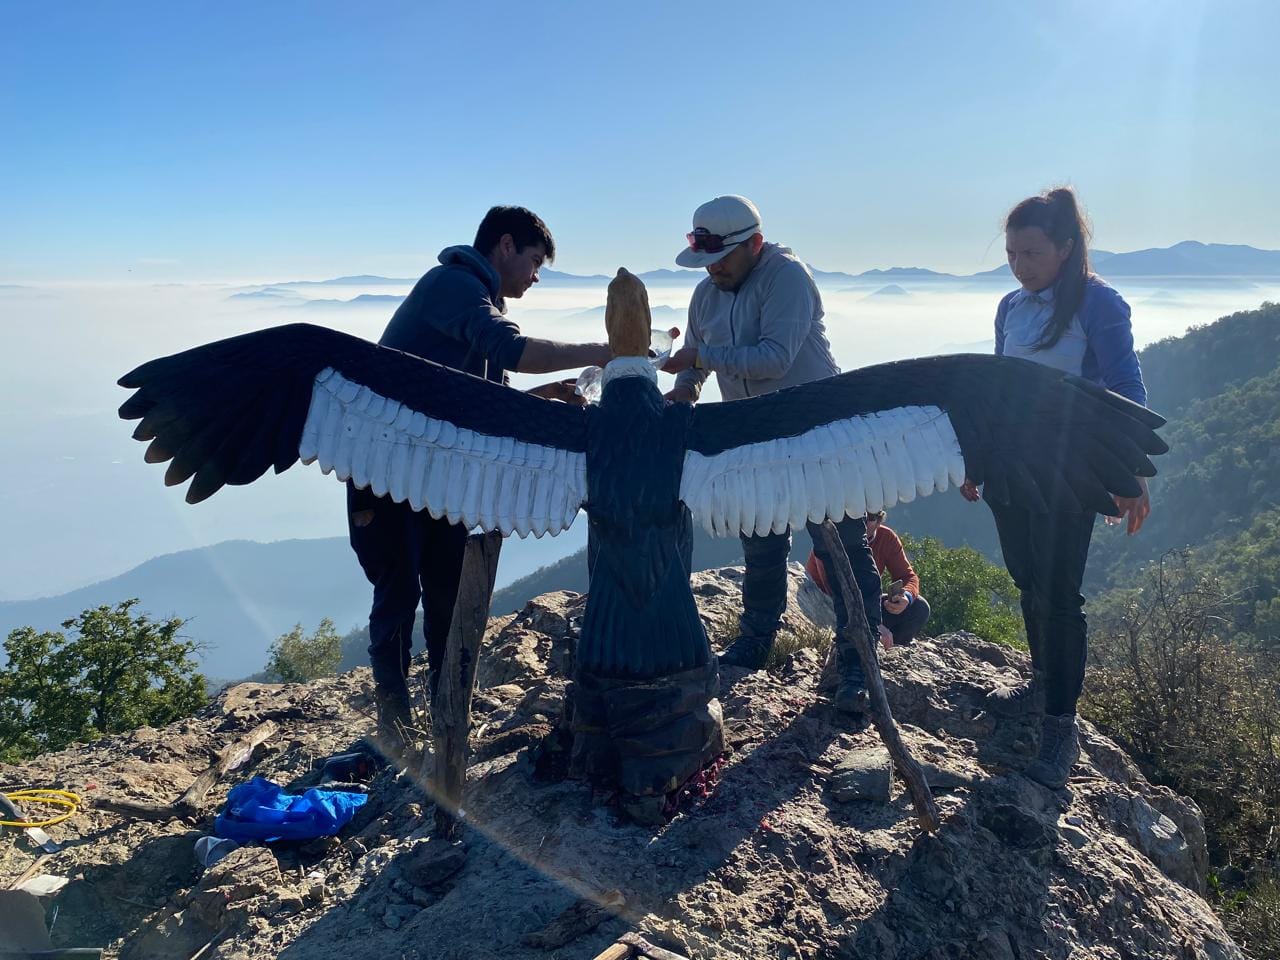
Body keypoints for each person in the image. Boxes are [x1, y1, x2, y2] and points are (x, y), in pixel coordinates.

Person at [349, 205, 613, 745]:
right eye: (535, 261)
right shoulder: (453, 284)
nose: (536, 276)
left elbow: (485, 397)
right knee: (399, 592)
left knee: (445, 588)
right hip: (385, 467)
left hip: (435, 472)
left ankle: (446, 712)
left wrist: (544, 396)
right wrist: (610, 352)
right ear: (506, 245)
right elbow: (509, 349)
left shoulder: (477, 299)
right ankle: (394, 724)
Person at [663, 195, 884, 713]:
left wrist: (701, 357)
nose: (713, 269)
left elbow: (775, 358)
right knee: (760, 541)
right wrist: (683, 392)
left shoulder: (787, 276)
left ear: (754, 244)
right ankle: (756, 640)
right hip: (753, 436)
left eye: (721, 259)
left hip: (816, 434)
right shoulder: (707, 293)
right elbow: (696, 360)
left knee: (843, 548)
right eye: (705, 260)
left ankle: (858, 663)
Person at [963, 186, 1152, 789]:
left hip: (1072, 470)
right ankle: (1042, 683)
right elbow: (993, 388)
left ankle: (1059, 727)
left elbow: (1126, 388)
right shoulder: (1010, 307)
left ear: (1066, 248)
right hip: (1010, 467)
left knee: (1060, 593)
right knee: (1026, 578)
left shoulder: (1099, 304)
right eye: (1013, 254)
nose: (1021, 264)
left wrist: (1131, 474)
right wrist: (975, 461)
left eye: (1033, 253)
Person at [805, 511, 932, 647]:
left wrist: (906, 597)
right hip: (827, 608)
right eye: (857, 515)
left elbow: (907, 576)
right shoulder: (830, 541)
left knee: (919, 607)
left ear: (879, 521)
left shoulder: (886, 538)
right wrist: (874, 624)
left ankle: (891, 649)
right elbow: (835, 592)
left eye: (869, 517)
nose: (861, 521)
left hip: (867, 603)